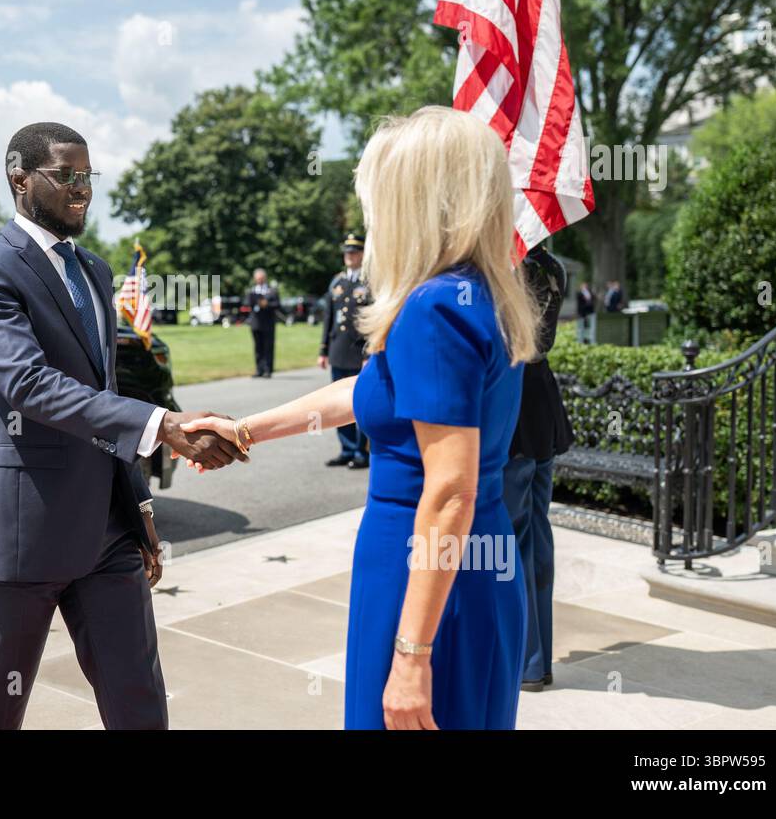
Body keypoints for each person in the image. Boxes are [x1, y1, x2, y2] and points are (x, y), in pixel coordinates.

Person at [178, 107, 539, 729]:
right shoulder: (479, 292)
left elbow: (451, 490)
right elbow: (364, 391)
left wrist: (412, 657)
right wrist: (244, 430)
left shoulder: (433, 310)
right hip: (464, 564)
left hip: (424, 575)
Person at [0, 121, 245, 730]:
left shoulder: (96, 272)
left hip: (108, 534)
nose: (81, 188)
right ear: (20, 179)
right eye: (65, 176)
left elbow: (101, 394)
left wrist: (139, 506)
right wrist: (162, 424)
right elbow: (29, 387)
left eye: (87, 175)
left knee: (139, 703)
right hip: (23, 532)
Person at [503, 244, 574, 692]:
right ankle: (538, 658)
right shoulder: (552, 266)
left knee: (511, 538)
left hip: (514, 403)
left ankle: (527, 661)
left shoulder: (508, 268)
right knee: (536, 532)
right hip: (541, 404)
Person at [319, 232, 371, 469]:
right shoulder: (337, 282)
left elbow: (375, 320)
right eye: (347, 252)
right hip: (339, 349)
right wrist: (323, 350)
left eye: (355, 252)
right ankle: (347, 448)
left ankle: (362, 451)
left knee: (360, 404)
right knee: (338, 403)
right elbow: (329, 317)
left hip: (360, 352)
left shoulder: (370, 282)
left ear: (363, 254)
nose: (350, 256)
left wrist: (370, 353)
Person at [245, 268, 280, 377]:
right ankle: (259, 369)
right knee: (258, 347)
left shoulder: (272, 290)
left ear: (265, 278)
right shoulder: (252, 291)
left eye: (261, 278)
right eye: (257, 279)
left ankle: (268, 369)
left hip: (268, 323)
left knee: (268, 346)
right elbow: (247, 304)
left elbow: (277, 305)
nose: (259, 280)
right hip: (256, 323)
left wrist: (267, 304)